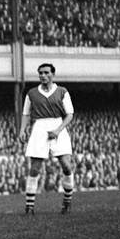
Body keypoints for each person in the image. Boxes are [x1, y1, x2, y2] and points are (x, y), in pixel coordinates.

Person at [19, 63, 76, 214]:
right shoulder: (31, 93)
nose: (43, 75)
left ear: (52, 74)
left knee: (66, 165)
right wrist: (22, 130)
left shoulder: (62, 91)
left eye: (46, 72)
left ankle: (67, 200)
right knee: (35, 168)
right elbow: (25, 113)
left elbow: (69, 114)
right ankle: (29, 206)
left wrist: (57, 130)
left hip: (58, 124)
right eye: (40, 73)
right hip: (39, 127)